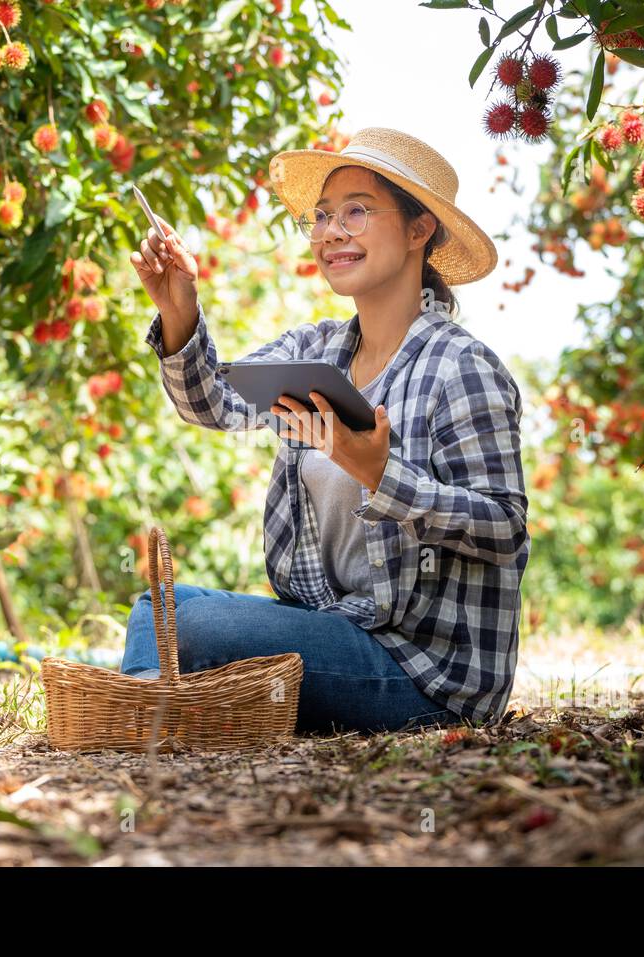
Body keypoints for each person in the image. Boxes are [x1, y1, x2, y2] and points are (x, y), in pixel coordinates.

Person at [124, 127, 529, 734]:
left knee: (186, 624)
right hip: (341, 626)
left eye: (356, 212)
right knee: (158, 609)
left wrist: (380, 476)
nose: (331, 232)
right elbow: (214, 404)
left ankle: (143, 722)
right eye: (321, 216)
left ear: (420, 231)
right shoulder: (315, 353)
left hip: (424, 675)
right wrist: (180, 308)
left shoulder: (460, 367)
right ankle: (155, 722)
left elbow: (504, 527)